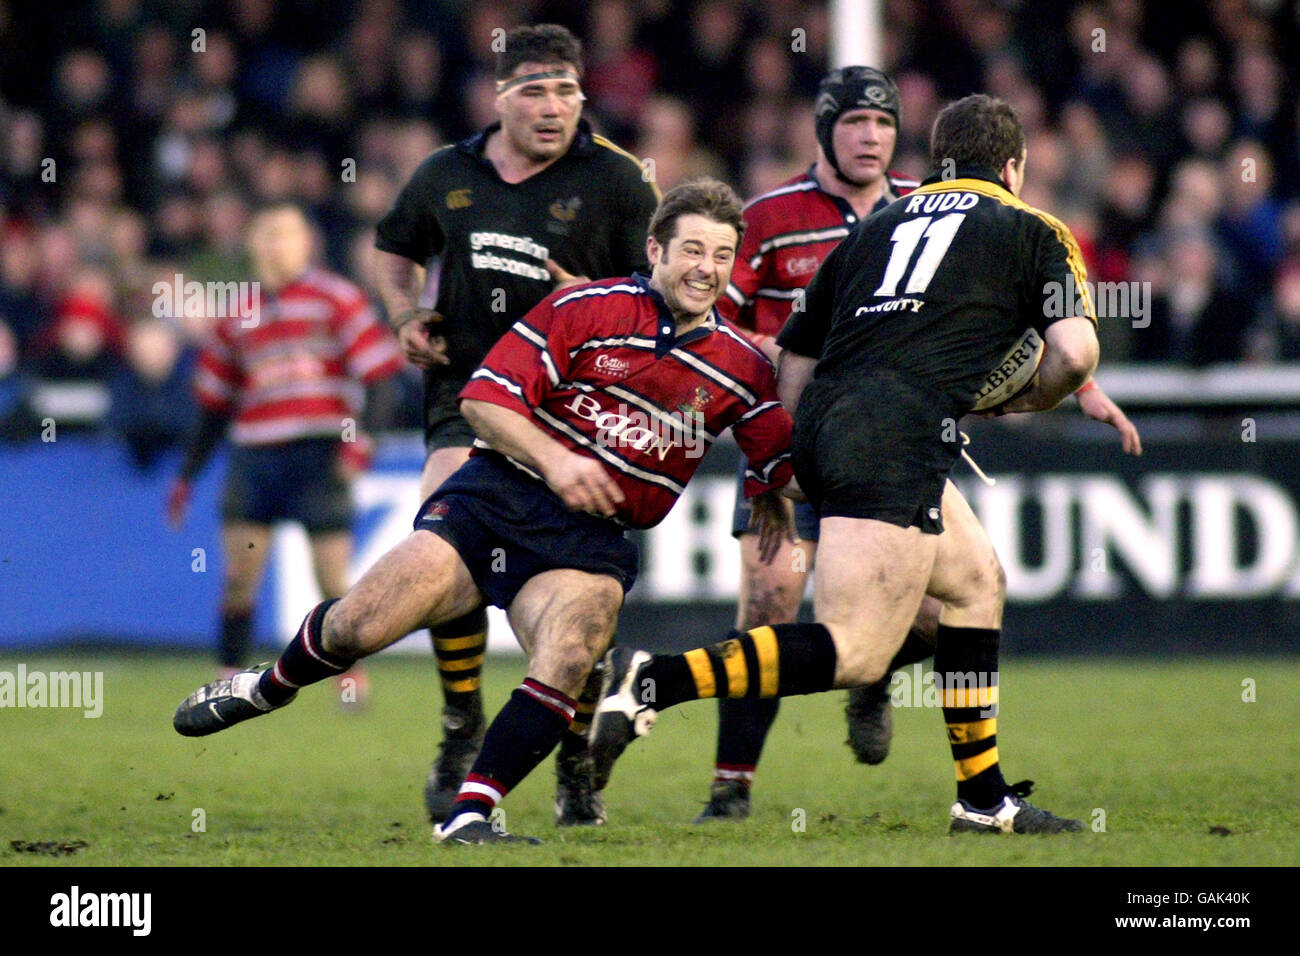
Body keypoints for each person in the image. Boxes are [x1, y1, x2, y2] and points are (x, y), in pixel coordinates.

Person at [172, 179, 795, 846]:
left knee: (571, 651)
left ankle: (469, 814)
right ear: (655, 249)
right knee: (358, 625)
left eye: (722, 256)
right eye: (692, 249)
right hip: (496, 499)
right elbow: (483, 402)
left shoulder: (742, 369)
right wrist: (559, 462)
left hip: (590, 540)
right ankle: (269, 684)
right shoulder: (586, 306)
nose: (706, 267)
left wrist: (774, 496)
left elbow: (777, 458)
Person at [590, 95, 1105, 834]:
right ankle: (654, 679)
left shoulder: (875, 228)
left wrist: (801, 451)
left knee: (973, 586)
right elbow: (1076, 354)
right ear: (1013, 166)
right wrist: (1024, 400)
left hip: (836, 420)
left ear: (937, 159)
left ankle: (983, 798)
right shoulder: (1034, 229)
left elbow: (795, 357)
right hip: (895, 432)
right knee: (859, 652)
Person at [371, 23, 659, 825]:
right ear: (498, 97)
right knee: (445, 525)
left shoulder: (620, 182)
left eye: (567, 89)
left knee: (583, 597)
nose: (553, 105)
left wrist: (596, 298)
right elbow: (393, 247)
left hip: (579, 413)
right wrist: (402, 311)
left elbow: (666, 295)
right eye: (534, 88)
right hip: (469, 394)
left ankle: (571, 758)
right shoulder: (444, 175)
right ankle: (463, 722)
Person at [168, 203, 403, 702]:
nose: (278, 245)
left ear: (306, 243)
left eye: (288, 235)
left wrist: (360, 446)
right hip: (255, 456)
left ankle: (349, 675)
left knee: (331, 576)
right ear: (254, 244)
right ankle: (228, 676)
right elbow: (214, 405)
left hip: (320, 454)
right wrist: (187, 476)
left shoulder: (337, 299)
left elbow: (381, 379)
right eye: (268, 235)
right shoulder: (238, 316)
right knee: (239, 577)